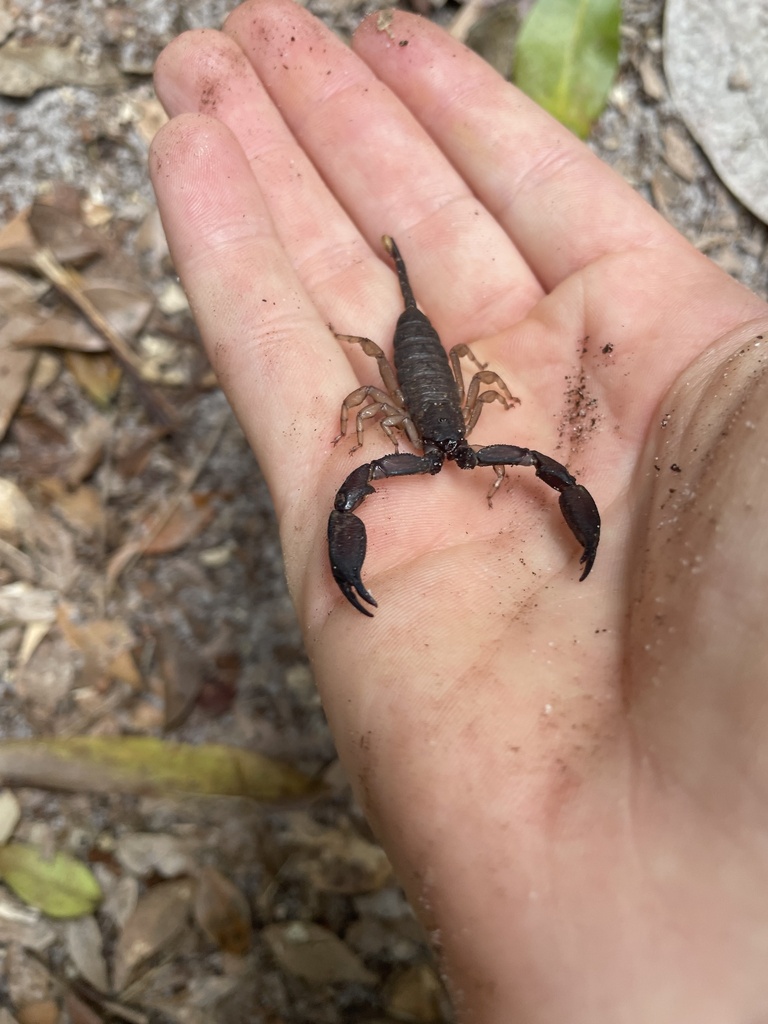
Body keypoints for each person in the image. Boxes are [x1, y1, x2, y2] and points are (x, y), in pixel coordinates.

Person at [151, 1, 768, 1018]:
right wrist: (389, 418)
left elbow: (524, 452)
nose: (450, 465)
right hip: (416, 372)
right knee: (370, 402)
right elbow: (368, 439)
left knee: (469, 440)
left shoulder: (466, 426)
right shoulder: (408, 419)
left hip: (439, 378)